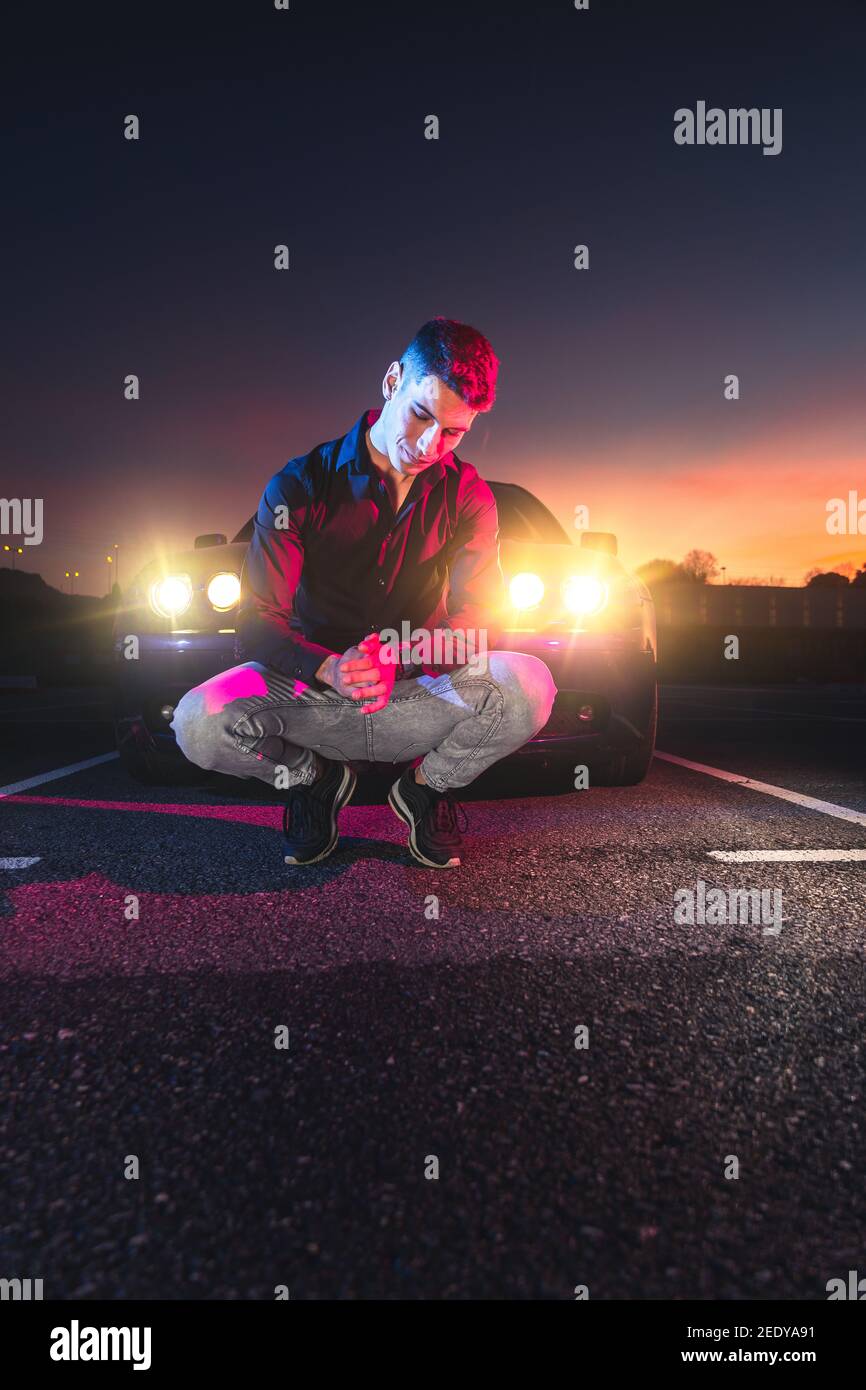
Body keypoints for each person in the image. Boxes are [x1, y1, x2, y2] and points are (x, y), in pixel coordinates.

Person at [171, 318, 557, 868]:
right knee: (197, 722)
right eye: (422, 415)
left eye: (453, 433)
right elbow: (258, 620)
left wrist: (403, 653)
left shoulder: (468, 493)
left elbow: (485, 617)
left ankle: (425, 788)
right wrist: (329, 668)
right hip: (315, 695)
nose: (429, 445)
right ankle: (315, 780)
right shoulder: (299, 484)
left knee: (530, 684)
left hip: (417, 691)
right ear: (392, 380)